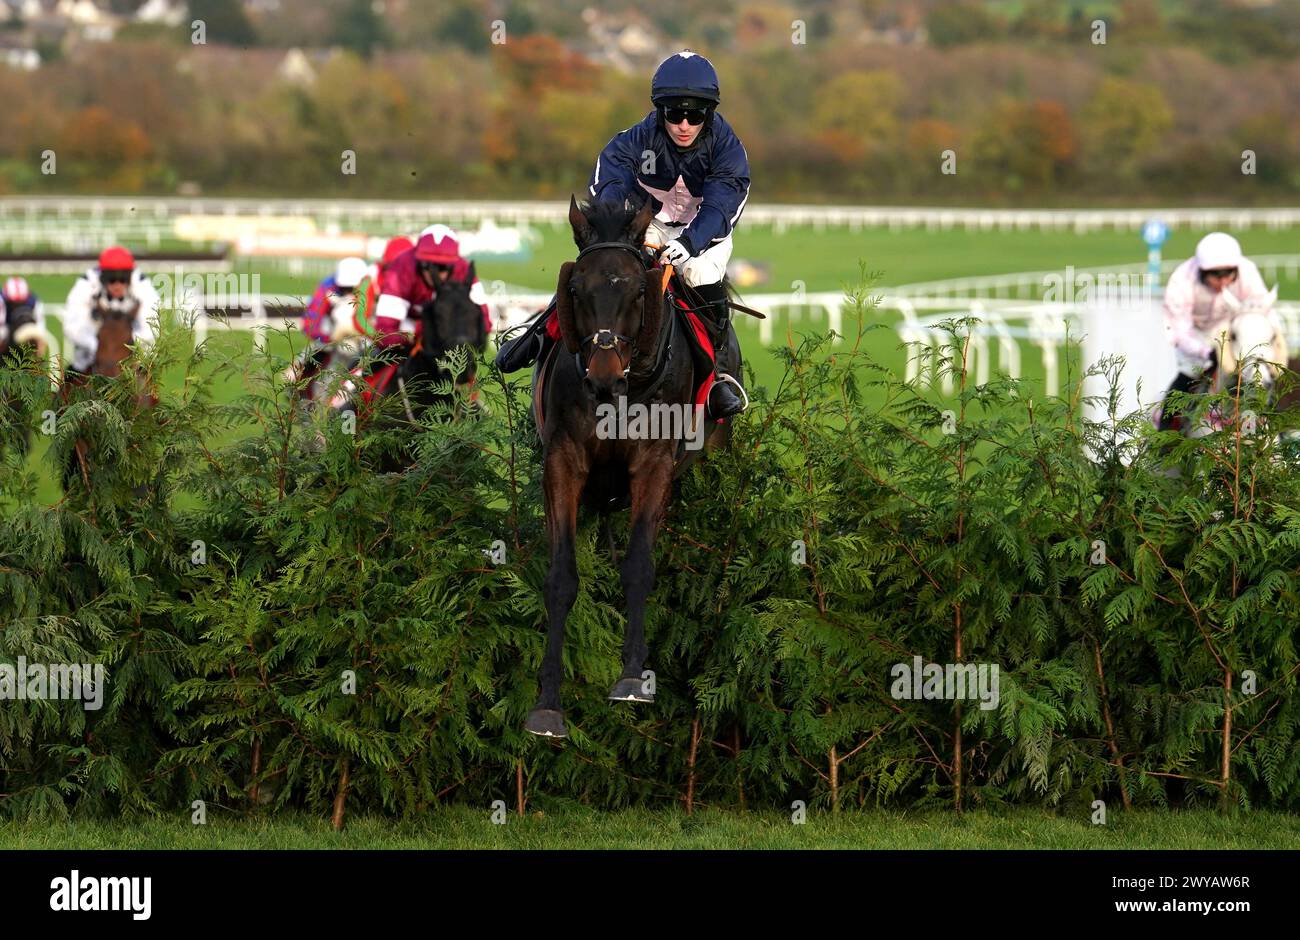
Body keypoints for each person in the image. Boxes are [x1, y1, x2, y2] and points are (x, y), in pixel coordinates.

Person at [494, 50, 751, 419]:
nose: (683, 124)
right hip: (645, 223)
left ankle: (719, 377)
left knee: (700, 275)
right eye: (673, 114)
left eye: (694, 115)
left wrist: (688, 244)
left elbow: (722, 206)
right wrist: (625, 233)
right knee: (603, 271)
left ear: (708, 114)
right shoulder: (632, 141)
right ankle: (539, 333)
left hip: (704, 232)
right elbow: (610, 189)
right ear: (659, 111)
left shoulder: (727, 149)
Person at [1158, 232, 1281, 430]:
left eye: (1229, 274)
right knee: (1188, 375)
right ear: (1202, 271)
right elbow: (1178, 331)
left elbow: (1263, 309)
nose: (1223, 281)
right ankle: (1165, 435)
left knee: (1259, 374)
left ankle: (1275, 430)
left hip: (1232, 333)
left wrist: (1275, 335)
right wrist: (1207, 352)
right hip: (1196, 338)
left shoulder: (1247, 270)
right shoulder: (1181, 281)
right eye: (1216, 275)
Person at [362, 225, 490, 350]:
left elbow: (485, 326)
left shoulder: (463, 270)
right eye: (425, 265)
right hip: (408, 327)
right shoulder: (402, 268)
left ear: (453, 265)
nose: (432, 273)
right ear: (417, 260)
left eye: (441, 267)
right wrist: (419, 334)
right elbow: (385, 333)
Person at [62, 246, 160, 377]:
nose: (117, 284)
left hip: (132, 349)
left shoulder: (143, 286)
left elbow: (153, 328)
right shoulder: (85, 284)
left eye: (123, 278)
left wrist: (123, 345)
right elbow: (71, 327)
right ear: (102, 276)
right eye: (111, 278)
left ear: (130, 276)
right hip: (91, 349)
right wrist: (97, 345)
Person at [1, 276, 47, 362]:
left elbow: (40, 324)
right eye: (13, 304)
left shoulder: (34, 301)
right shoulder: (2, 300)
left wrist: (39, 344)